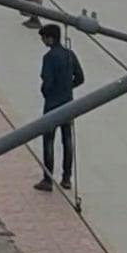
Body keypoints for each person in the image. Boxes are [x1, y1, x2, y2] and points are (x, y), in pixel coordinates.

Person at [33, 24, 83, 192]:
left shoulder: (49, 57)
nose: (42, 41)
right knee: (67, 140)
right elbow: (80, 77)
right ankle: (66, 178)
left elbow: (47, 82)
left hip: (52, 105)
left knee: (48, 141)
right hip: (68, 102)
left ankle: (48, 179)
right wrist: (68, 87)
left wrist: (47, 93)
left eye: (43, 38)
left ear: (50, 38)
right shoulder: (70, 54)